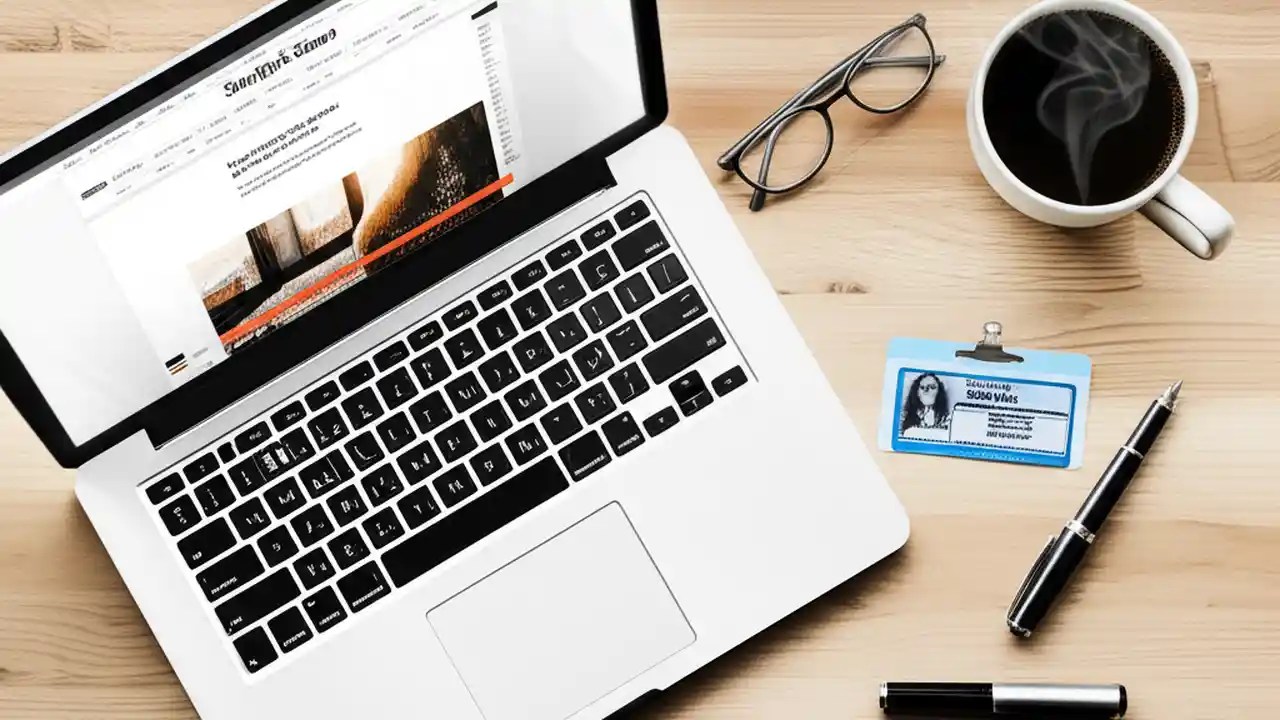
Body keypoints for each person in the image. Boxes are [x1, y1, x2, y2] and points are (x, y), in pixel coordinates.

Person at [900, 373, 951, 438]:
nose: (926, 390)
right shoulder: (905, 414)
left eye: (932, 387)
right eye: (922, 387)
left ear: (939, 392)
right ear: (917, 392)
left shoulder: (947, 418)